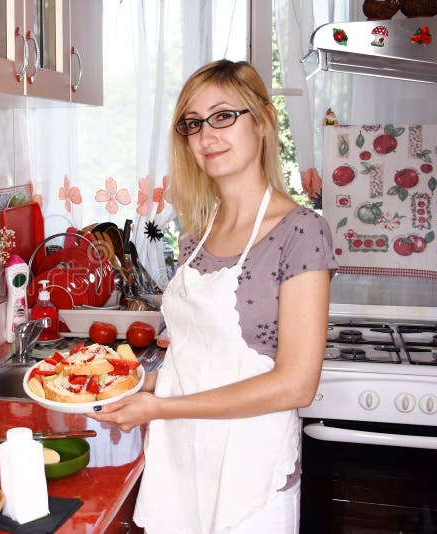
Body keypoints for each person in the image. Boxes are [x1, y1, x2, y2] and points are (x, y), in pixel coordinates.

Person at [88, 59, 338, 533]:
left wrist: (161, 408)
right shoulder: (197, 234)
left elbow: (295, 385)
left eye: (224, 116)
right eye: (193, 123)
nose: (206, 136)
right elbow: (202, 363)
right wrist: (139, 387)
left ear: (263, 119)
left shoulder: (301, 232)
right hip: (181, 466)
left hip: (250, 477)